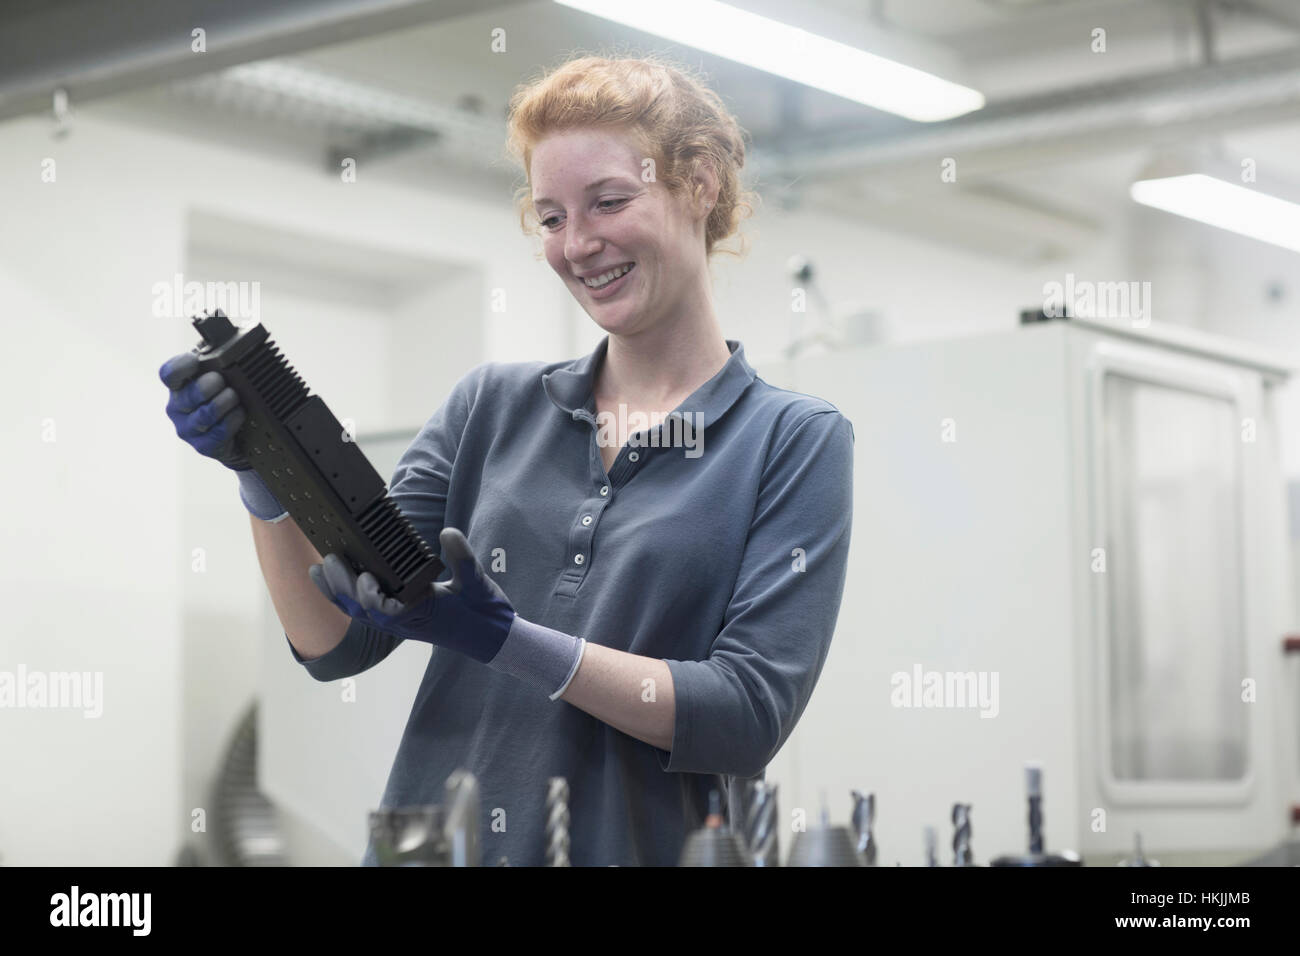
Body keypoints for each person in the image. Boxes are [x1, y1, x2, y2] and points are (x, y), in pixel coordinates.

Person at [159, 53, 854, 867]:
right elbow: (335, 642)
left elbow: (744, 712)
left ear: (699, 183)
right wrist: (263, 477)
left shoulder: (791, 439)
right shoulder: (490, 408)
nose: (579, 245)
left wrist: (509, 641)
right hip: (429, 845)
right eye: (552, 218)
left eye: (609, 202)